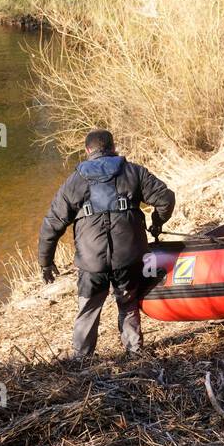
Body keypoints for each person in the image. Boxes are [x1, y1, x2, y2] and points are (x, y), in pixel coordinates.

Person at [38, 129, 175, 359]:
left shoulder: (74, 181)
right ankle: (135, 354)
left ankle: (82, 361)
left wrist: (46, 261)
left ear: (87, 151)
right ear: (113, 147)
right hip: (128, 257)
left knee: (88, 309)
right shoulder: (133, 172)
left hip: (92, 262)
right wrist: (156, 222)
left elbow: (52, 223)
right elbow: (166, 199)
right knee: (128, 304)